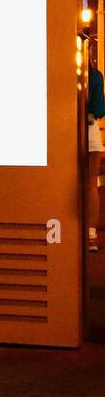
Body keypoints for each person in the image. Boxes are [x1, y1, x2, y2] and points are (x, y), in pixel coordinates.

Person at [88, 51, 104, 252]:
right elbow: (100, 110)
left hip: (65, 134)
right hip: (90, 134)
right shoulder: (95, 75)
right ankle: (90, 235)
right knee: (91, 185)